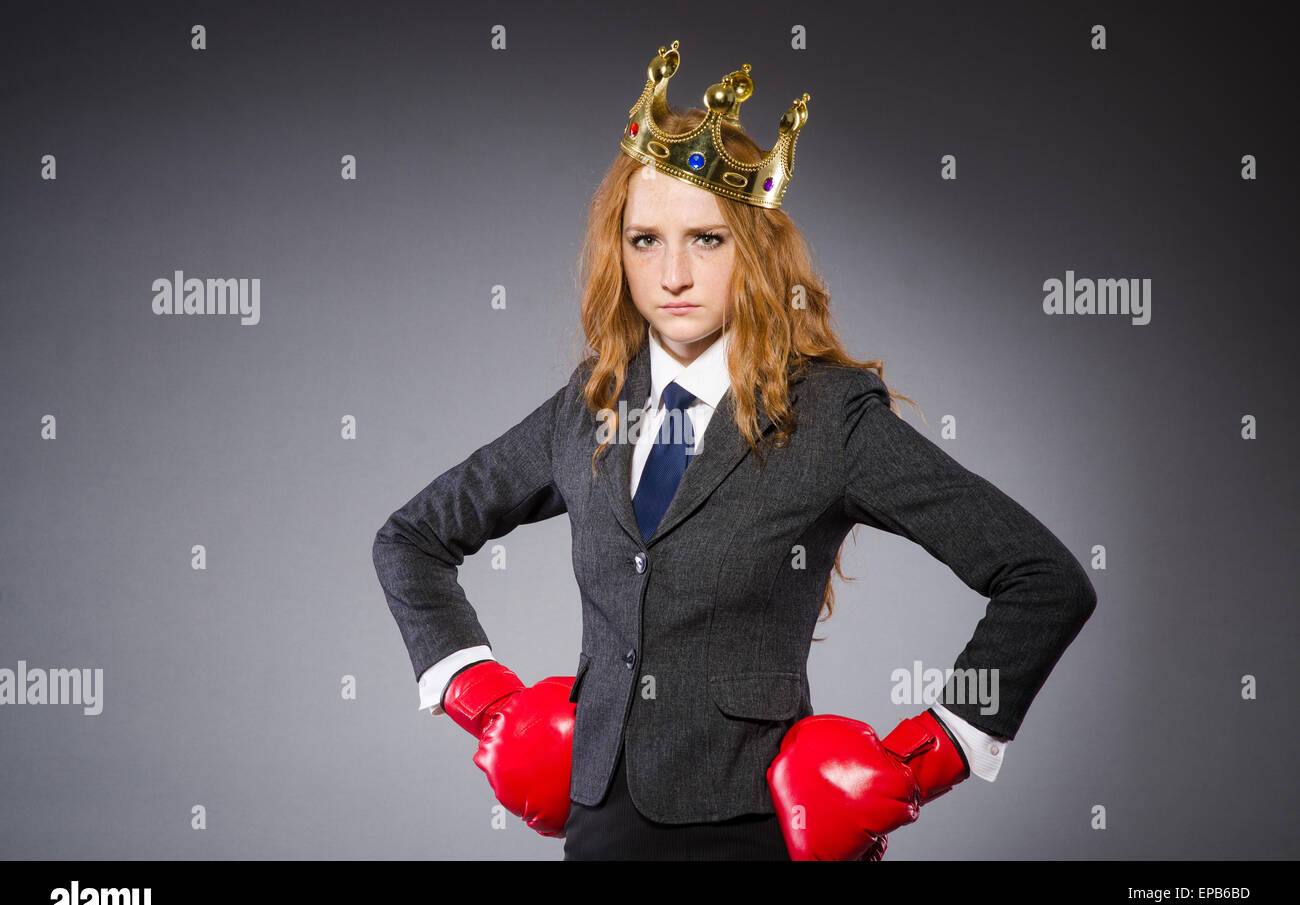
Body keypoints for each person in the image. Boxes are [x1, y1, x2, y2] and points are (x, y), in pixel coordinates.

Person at [371, 40, 1098, 861]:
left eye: (707, 240)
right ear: (619, 252)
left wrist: (931, 753)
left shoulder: (830, 416)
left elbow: (1045, 580)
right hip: (601, 826)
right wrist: (480, 697)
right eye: (646, 240)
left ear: (753, 252)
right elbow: (411, 537)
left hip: (756, 829)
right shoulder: (588, 408)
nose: (673, 272)